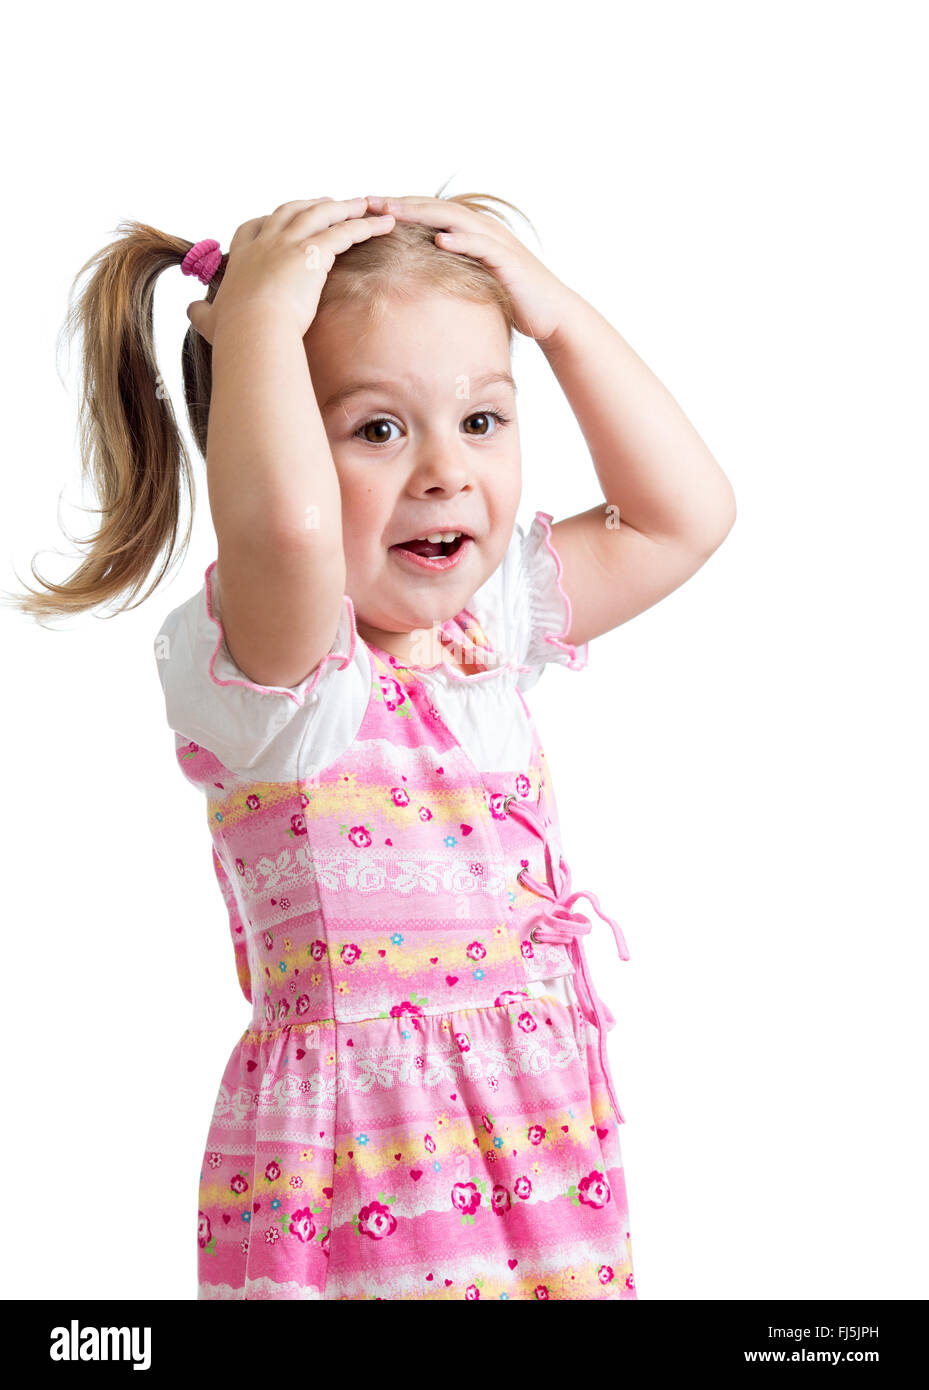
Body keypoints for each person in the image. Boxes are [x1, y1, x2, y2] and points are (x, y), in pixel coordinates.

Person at [14, 188, 736, 1299]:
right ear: (265, 448)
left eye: (482, 419)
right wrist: (255, 321)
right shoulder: (281, 675)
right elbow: (288, 531)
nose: (446, 470)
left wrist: (559, 321)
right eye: (377, 428)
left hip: (539, 1154)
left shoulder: (482, 633)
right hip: (365, 1174)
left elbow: (682, 514)